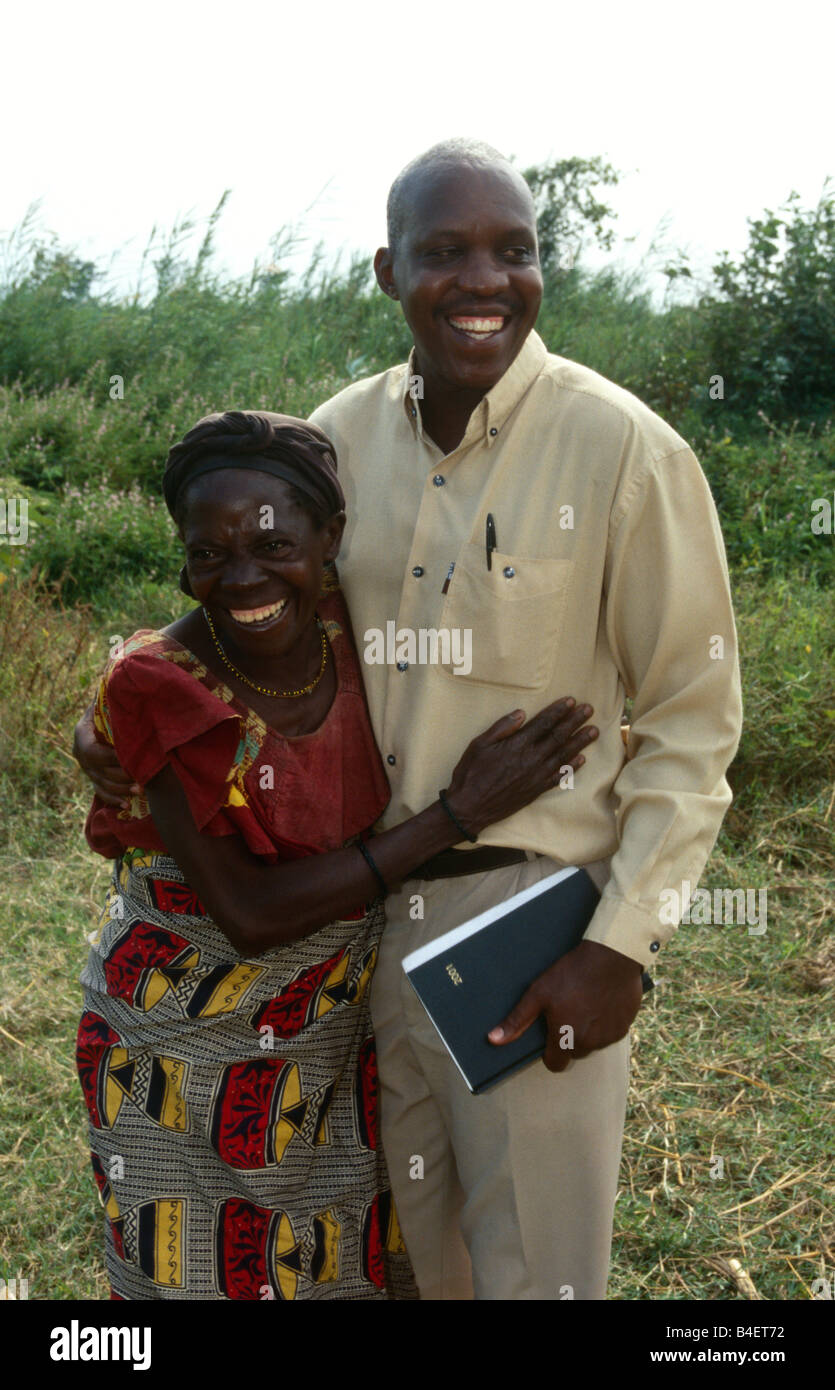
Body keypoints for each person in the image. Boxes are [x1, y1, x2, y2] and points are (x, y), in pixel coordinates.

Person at [75, 137, 743, 1300]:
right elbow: (253, 595)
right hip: (358, 924)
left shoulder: (623, 447)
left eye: (514, 252)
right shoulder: (338, 440)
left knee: (535, 1269)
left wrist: (616, 947)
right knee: (417, 1260)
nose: (483, 281)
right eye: (446, 252)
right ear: (389, 272)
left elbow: (694, 722)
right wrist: (121, 701)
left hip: (533, 921)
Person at [75, 407, 599, 1300]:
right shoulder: (165, 681)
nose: (242, 579)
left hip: (332, 1021)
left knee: (345, 1256)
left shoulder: (360, 634)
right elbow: (248, 915)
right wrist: (455, 813)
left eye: (273, 544)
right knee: (204, 1270)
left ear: (333, 540)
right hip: (184, 1037)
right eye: (209, 554)